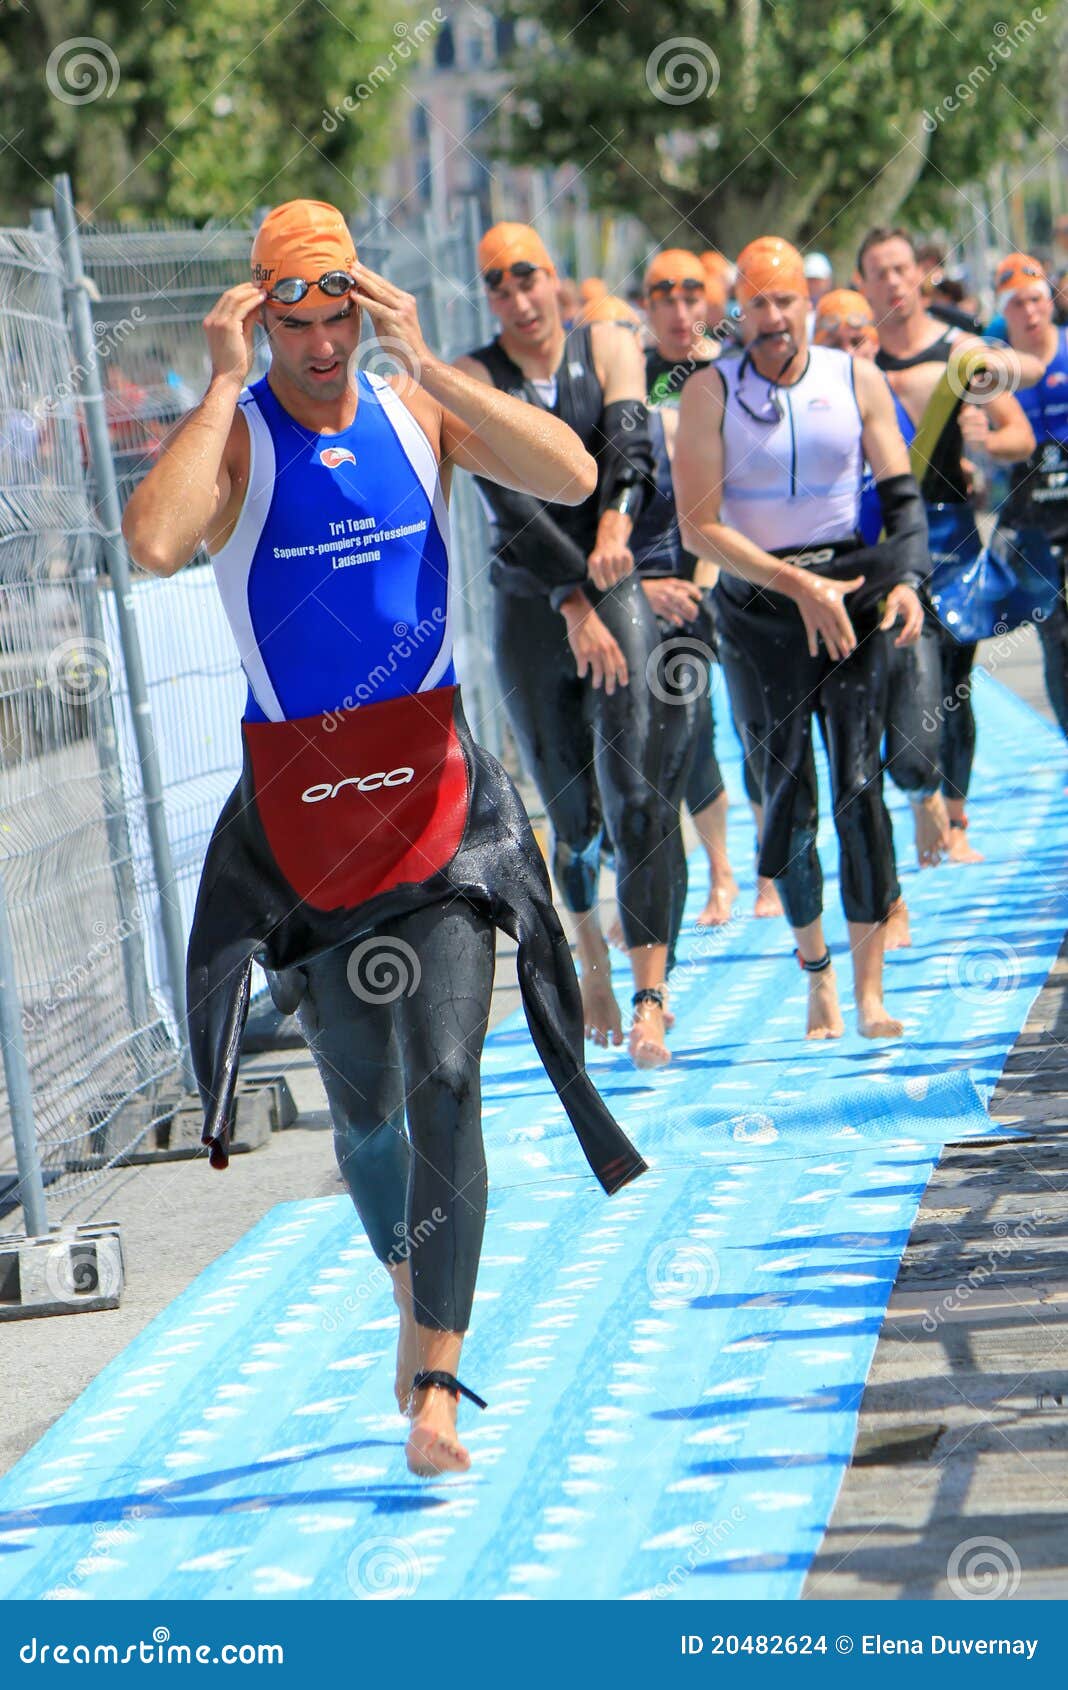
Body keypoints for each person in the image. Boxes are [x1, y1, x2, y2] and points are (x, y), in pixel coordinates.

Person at [121, 199, 647, 1480]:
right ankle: (414, 1293)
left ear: (364, 304)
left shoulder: (420, 411)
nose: (318, 341)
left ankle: (442, 1388)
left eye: (336, 311)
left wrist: (429, 359)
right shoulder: (238, 437)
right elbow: (150, 543)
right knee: (362, 1111)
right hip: (306, 820)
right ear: (263, 314)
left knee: (451, 1076)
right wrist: (221, 380)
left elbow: (574, 478)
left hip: (438, 803)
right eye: (291, 318)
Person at [673, 235, 930, 1041]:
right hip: (762, 613)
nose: (774, 316)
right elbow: (699, 525)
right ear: (739, 313)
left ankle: (869, 993)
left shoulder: (855, 377)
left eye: (786, 301)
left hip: (850, 598)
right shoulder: (710, 393)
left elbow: (903, 496)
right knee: (786, 794)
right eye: (758, 303)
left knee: (860, 789)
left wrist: (910, 582)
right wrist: (795, 585)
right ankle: (816, 976)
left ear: (809, 306)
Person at [455, 223, 683, 1069]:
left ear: (556, 280)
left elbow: (631, 443)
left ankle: (651, 994)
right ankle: (590, 956)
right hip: (532, 600)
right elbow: (509, 505)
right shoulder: (477, 376)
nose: (518, 299)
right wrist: (569, 596)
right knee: (574, 818)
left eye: (529, 279)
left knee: (636, 797)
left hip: (613, 576)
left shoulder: (608, 340)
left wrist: (616, 529)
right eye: (498, 285)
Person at [860, 225, 1042, 863]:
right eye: (878, 271)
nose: (891, 281)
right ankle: (917, 798)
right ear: (864, 284)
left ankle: (955, 817)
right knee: (900, 675)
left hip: (952, 531)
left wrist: (983, 444)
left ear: (920, 275)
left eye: (900, 268)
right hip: (884, 539)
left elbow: (1019, 435)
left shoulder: (962, 353)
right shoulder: (856, 361)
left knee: (952, 681)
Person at [634, 246, 780, 924]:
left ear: (711, 304)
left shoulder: (736, 374)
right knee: (691, 725)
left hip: (735, 566)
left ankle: (771, 865)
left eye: (690, 296)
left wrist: (714, 571)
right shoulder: (631, 382)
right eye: (662, 297)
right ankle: (722, 866)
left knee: (760, 725)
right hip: (667, 577)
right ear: (647, 307)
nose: (678, 309)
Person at [814, 288, 951, 939]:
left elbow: (1006, 410)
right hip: (832, 606)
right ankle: (887, 898)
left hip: (896, 589)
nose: (848, 351)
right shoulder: (791, 419)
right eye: (833, 341)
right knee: (854, 769)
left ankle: (926, 794)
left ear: (876, 341)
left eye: (858, 339)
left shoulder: (908, 394)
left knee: (915, 747)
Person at [988, 253, 1068, 738]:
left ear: (1050, 302)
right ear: (1005, 312)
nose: (1030, 312)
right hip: (1029, 519)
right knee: (1056, 637)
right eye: (1017, 304)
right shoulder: (993, 369)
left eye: (1036, 299)